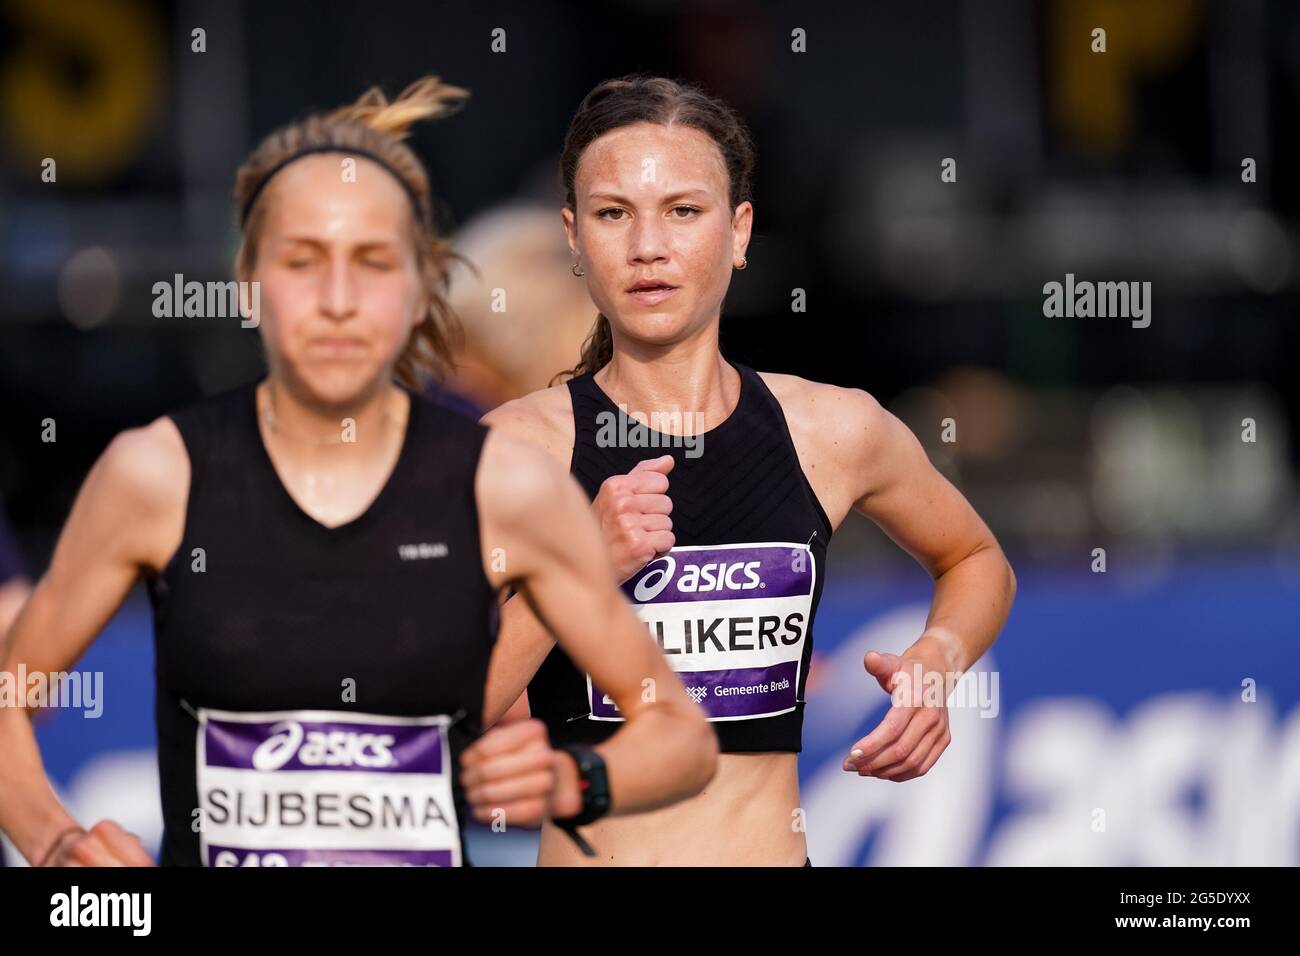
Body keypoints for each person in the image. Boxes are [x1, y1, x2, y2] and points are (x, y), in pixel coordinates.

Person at [0, 77, 716, 867]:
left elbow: (680, 735)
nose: (338, 299)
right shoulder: (157, 474)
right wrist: (53, 839)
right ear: (249, 282)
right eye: (303, 261)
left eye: (373, 263)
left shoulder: (505, 487)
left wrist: (574, 778)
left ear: (419, 290)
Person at [481, 75, 1017, 865]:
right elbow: (447, 715)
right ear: (572, 237)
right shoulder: (517, 450)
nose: (647, 247)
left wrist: (936, 660)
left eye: (684, 211)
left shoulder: (832, 430)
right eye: (612, 214)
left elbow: (975, 558)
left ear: (739, 232)